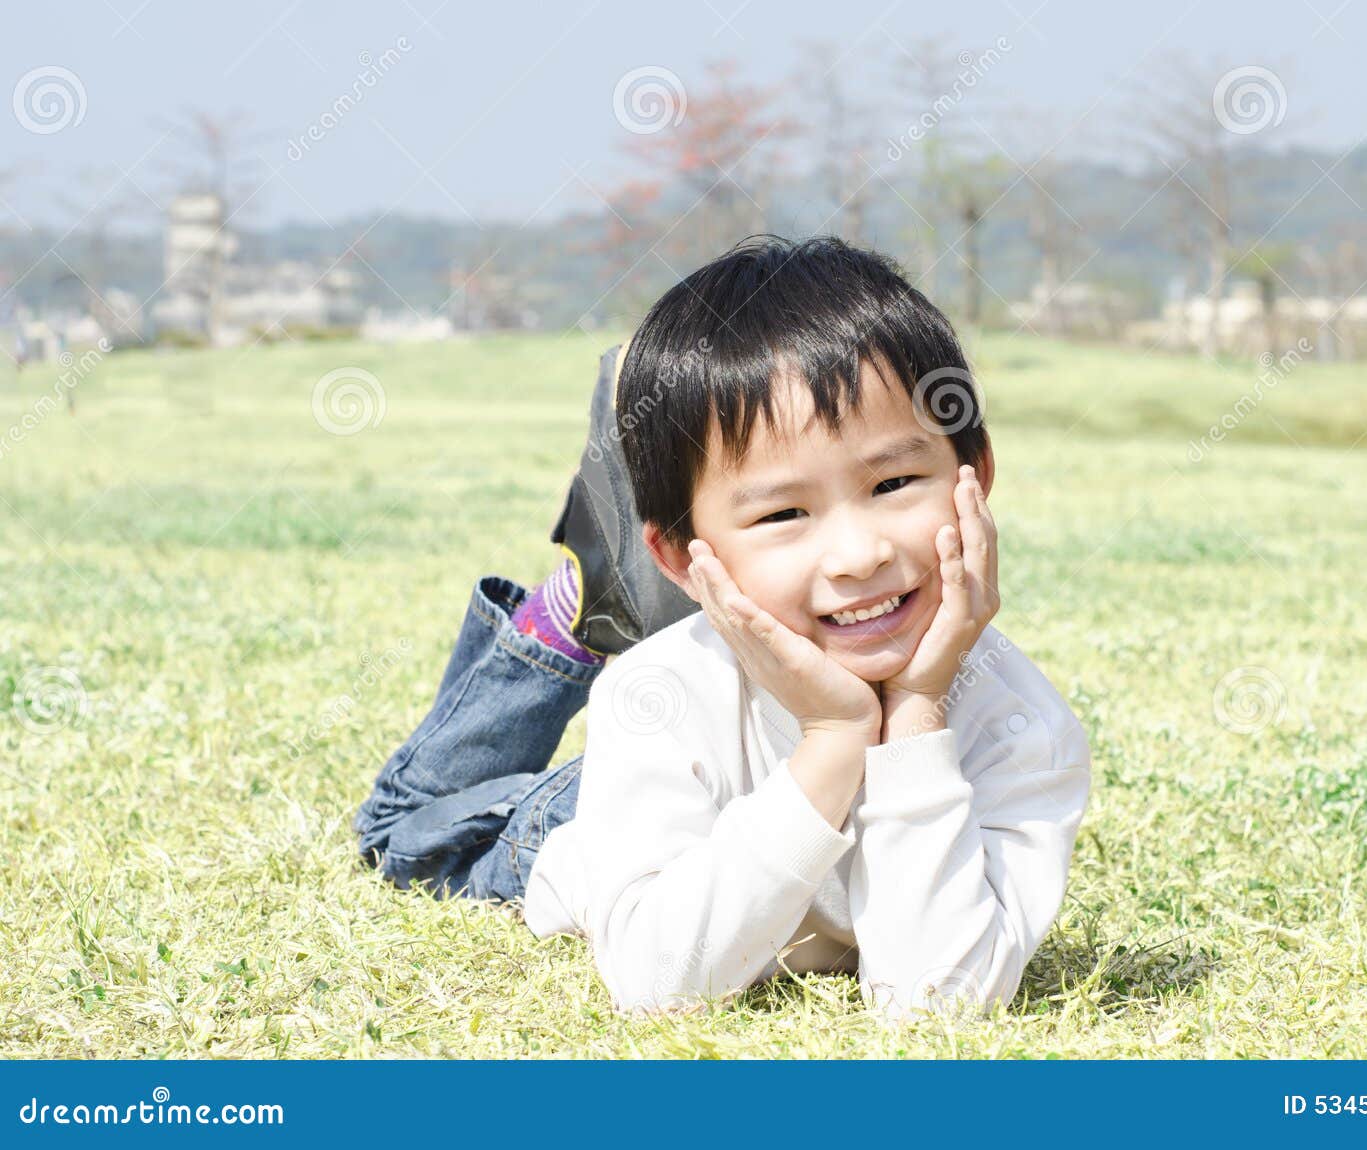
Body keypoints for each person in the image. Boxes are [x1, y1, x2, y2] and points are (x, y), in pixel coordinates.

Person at [353, 235, 1092, 1021]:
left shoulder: (1023, 728)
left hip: (723, 798)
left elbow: (938, 1007)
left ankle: (680, 556)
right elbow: (657, 984)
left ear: (973, 475)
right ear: (681, 554)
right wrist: (835, 736)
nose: (859, 553)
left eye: (895, 482)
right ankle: (557, 620)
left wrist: (913, 717)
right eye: (784, 512)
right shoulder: (660, 692)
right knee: (399, 834)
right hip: (591, 831)